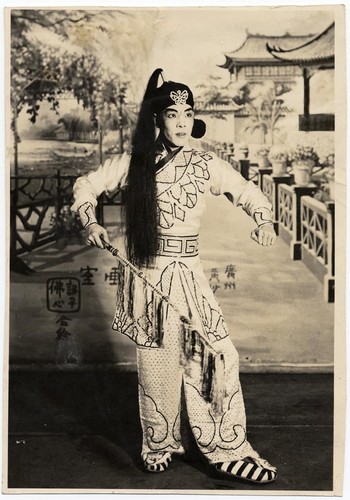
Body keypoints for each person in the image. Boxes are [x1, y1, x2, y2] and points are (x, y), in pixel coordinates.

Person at [71, 68, 277, 484]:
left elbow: (249, 191)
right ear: (157, 120)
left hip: (190, 274)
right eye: (172, 114)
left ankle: (225, 448)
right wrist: (88, 219)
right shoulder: (133, 164)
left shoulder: (205, 164)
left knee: (217, 354)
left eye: (188, 113)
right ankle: (160, 442)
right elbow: (86, 184)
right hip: (149, 271)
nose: (182, 122)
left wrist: (263, 218)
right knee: (159, 360)